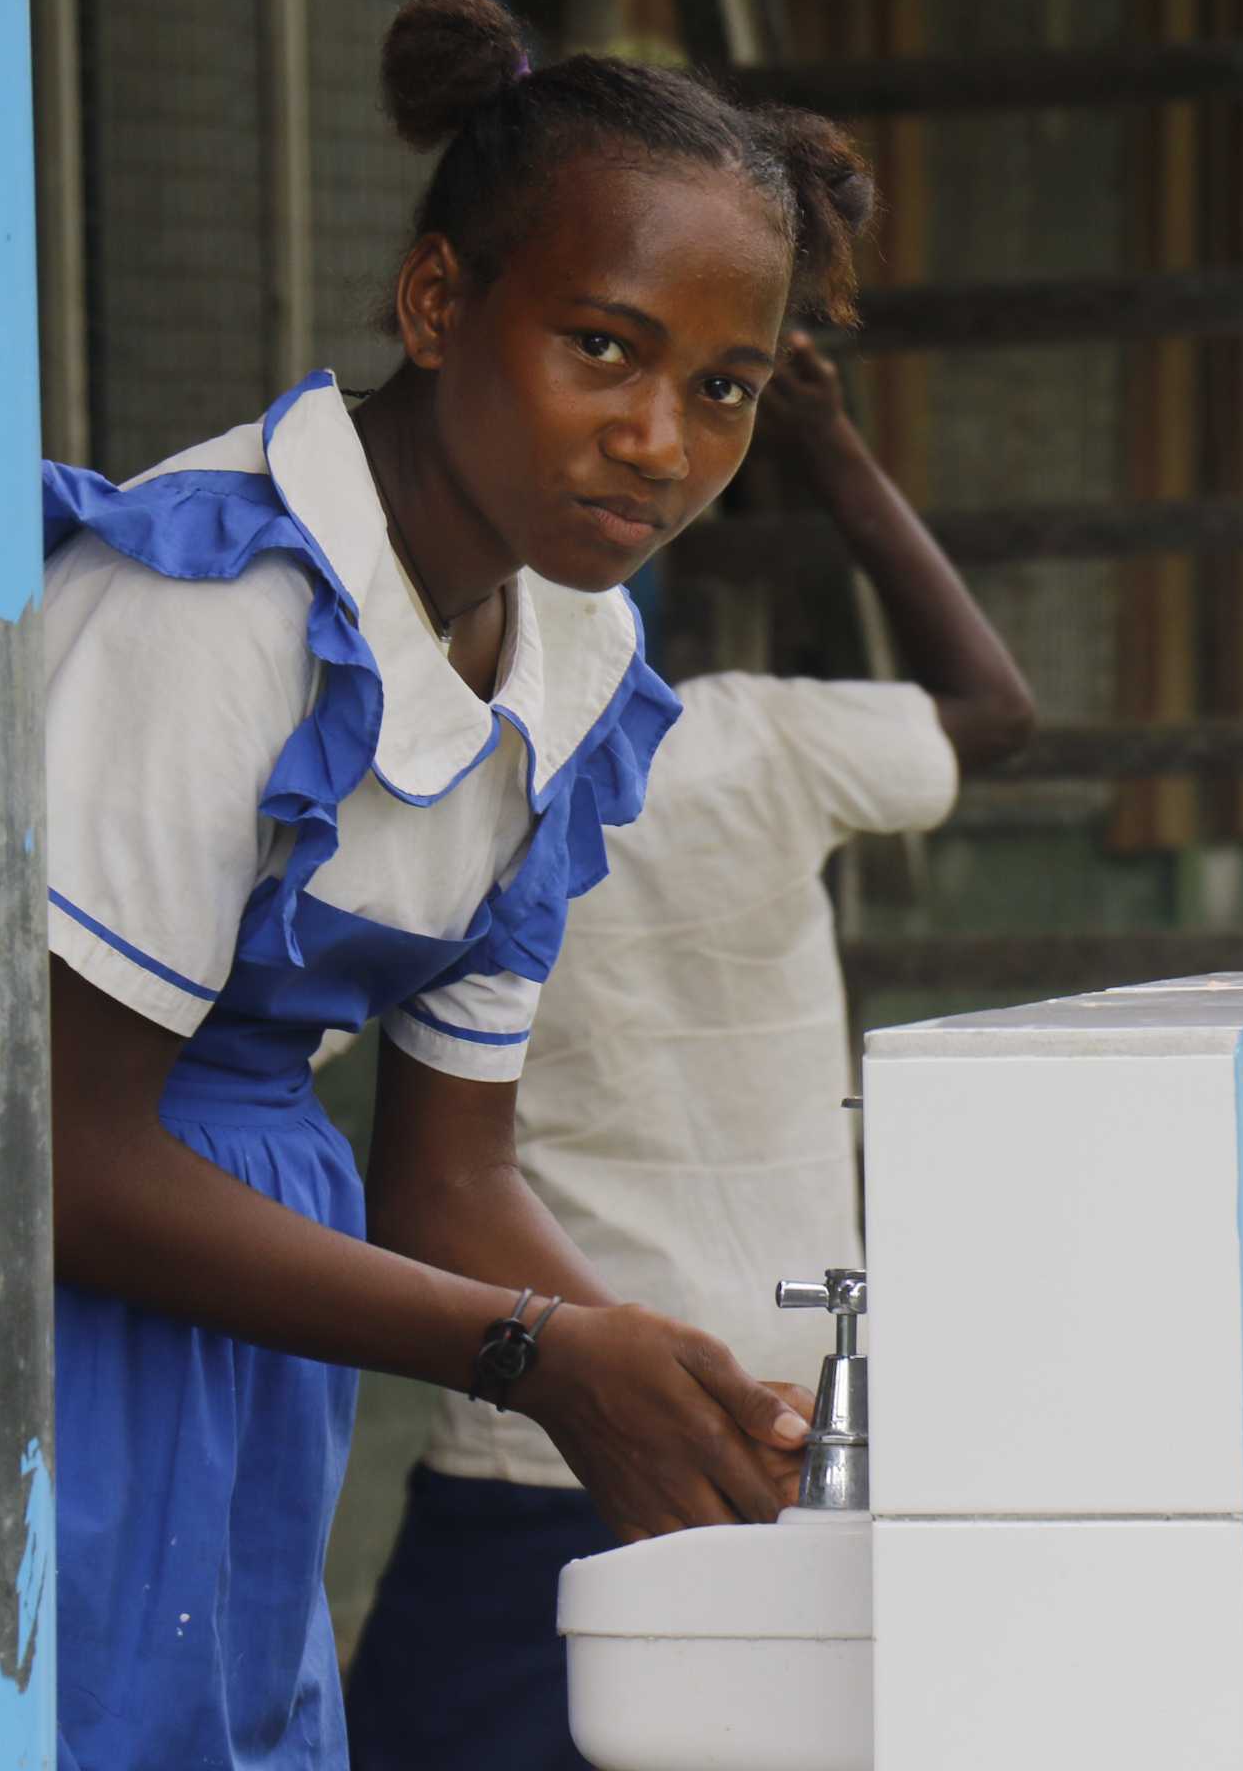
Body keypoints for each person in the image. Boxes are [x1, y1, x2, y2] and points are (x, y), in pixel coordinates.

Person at [0, 0, 881, 1770]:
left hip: (232, 1304)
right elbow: (41, 1149)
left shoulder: (571, 659)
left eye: (723, 387)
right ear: (439, 304)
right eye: (604, 349)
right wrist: (531, 1353)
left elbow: (445, 1177)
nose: (661, 438)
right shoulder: (219, 610)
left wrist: (646, 1370)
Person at [343, 330, 1034, 1767]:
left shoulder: (417, 780)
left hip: (545, 1408)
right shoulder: (755, 742)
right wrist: (829, 448)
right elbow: (993, 710)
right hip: (794, 1408)